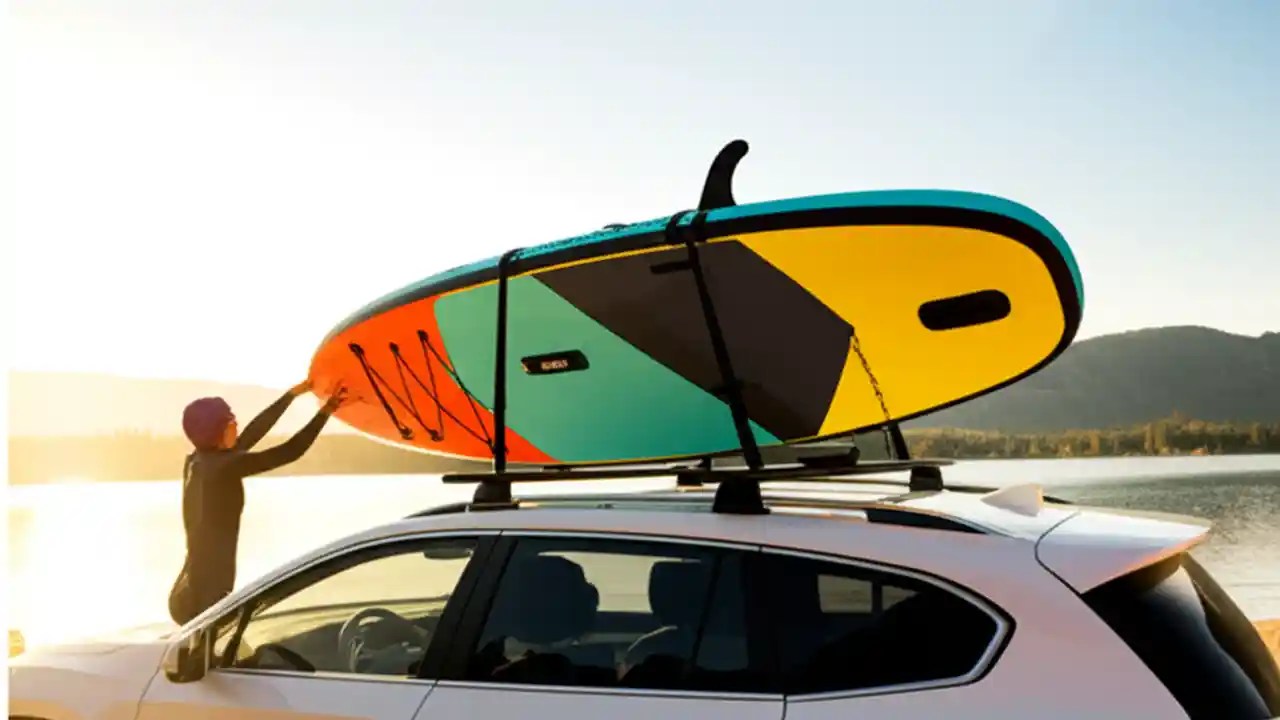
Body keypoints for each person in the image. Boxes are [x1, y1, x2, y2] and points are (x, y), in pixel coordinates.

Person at [167, 379, 349, 625]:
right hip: (207, 599)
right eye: (231, 422)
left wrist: (290, 396)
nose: (237, 425)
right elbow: (290, 451)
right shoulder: (224, 467)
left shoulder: (199, 461)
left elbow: (253, 433)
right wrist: (326, 411)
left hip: (187, 591)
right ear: (217, 432)